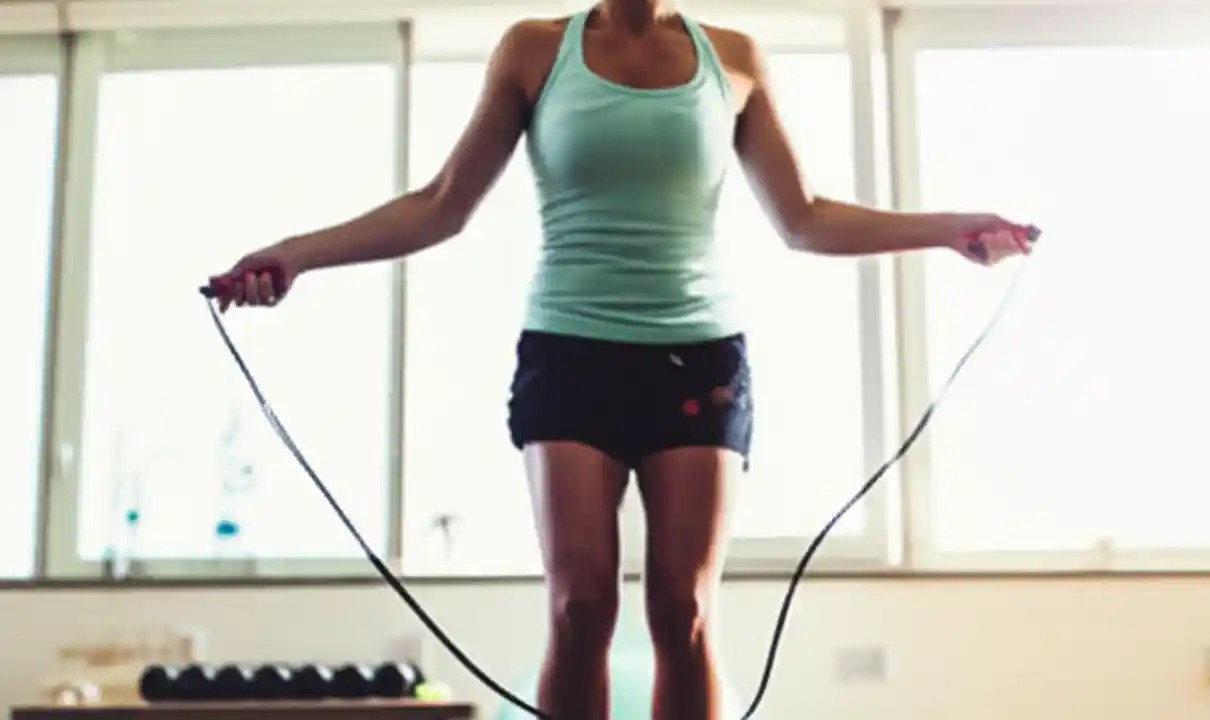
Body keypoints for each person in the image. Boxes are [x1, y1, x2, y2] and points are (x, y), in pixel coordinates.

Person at [206, 0, 1033, 717]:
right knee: (579, 603)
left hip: (697, 355)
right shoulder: (535, 49)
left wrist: (951, 227)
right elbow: (441, 206)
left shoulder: (732, 59)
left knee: (684, 611)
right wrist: (295, 256)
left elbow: (806, 219)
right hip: (570, 352)